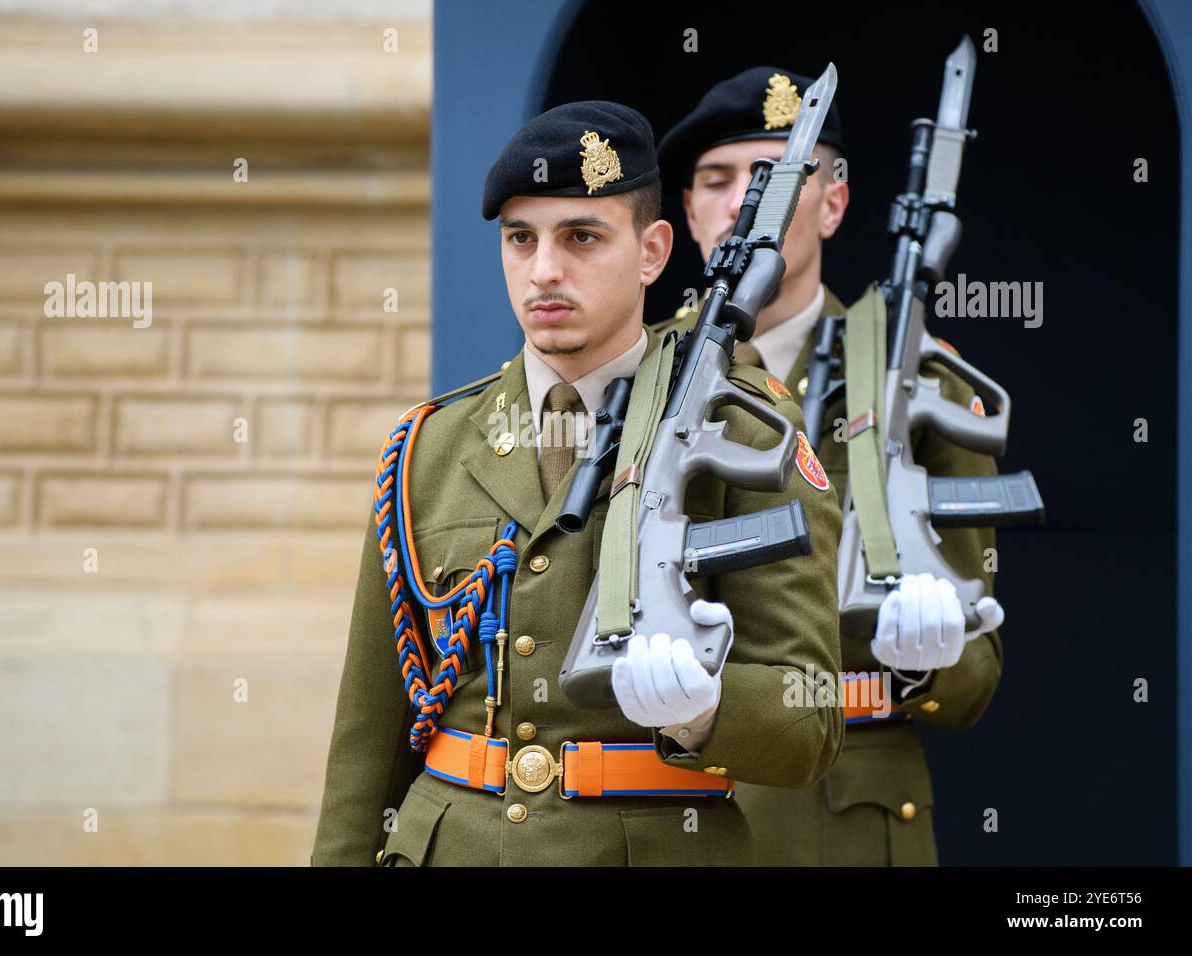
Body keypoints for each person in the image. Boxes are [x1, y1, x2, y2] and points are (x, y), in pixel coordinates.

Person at [311, 100, 844, 866]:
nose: (545, 270)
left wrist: (706, 711)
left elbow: (811, 722)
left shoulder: (746, 434)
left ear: (654, 250)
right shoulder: (427, 448)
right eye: (520, 239)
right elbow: (369, 738)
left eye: (582, 237)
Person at [656, 66, 1005, 866]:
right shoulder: (635, 379)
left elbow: (978, 676)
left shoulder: (919, 381)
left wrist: (933, 656)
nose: (747, 198)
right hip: (666, 806)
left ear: (834, 202)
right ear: (687, 212)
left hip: (844, 819)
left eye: (776, 174)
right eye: (717, 179)